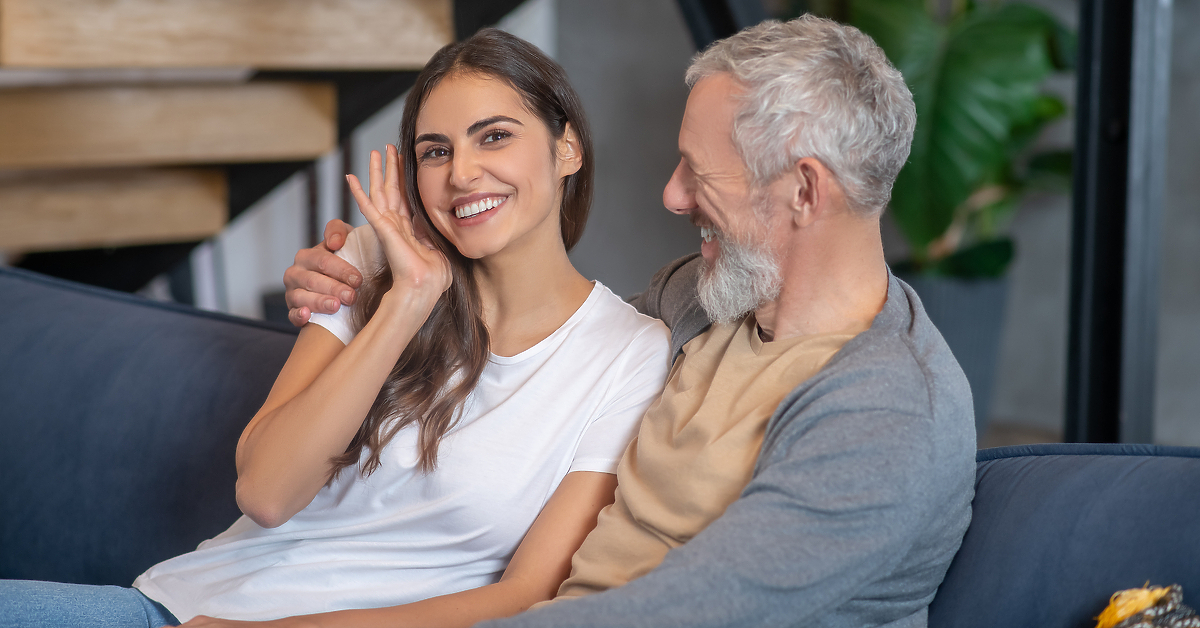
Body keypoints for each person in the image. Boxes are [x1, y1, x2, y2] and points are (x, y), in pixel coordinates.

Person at [286, 16, 976, 628]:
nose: (672, 196)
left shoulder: (886, 411)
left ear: (804, 190)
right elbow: (553, 338)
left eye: (698, 173)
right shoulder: (701, 304)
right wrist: (365, 268)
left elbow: (703, 609)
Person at [0, 28, 671, 628]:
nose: (462, 173)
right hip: (175, 609)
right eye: (434, 151)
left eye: (495, 135)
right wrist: (406, 299)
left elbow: (527, 593)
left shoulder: (627, 353)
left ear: (567, 149)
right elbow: (266, 492)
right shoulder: (369, 265)